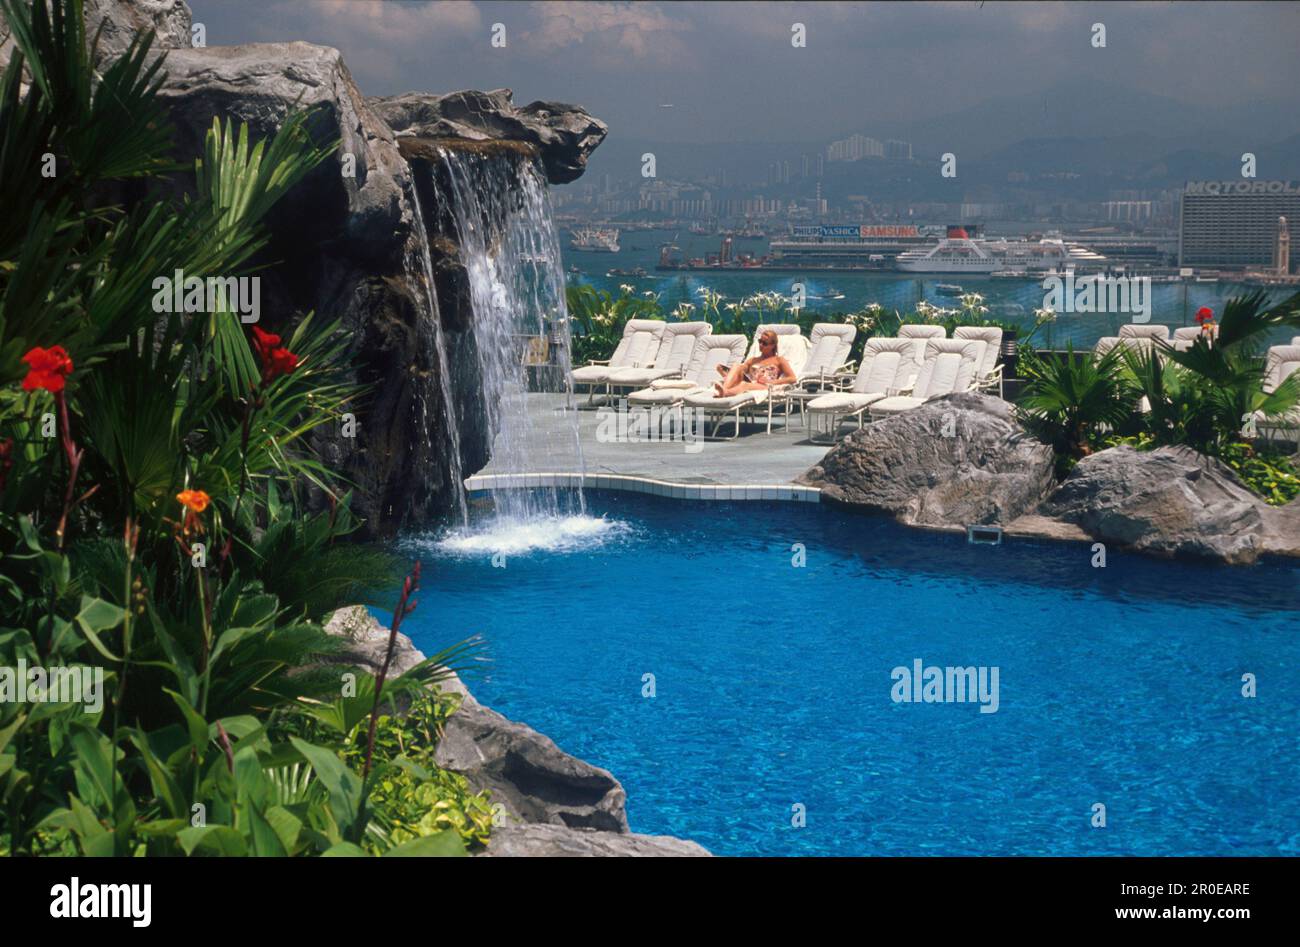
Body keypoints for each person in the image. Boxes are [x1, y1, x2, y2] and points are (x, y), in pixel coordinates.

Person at [713, 329, 797, 397]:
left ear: (773, 345)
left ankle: (725, 392)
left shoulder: (779, 360)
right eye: (760, 341)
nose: (761, 345)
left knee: (744, 385)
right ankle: (725, 388)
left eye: (764, 343)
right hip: (750, 382)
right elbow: (741, 370)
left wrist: (772, 382)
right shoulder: (753, 360)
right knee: (736, 365)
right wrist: (725, 370)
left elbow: (792, 378)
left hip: (764, 386)